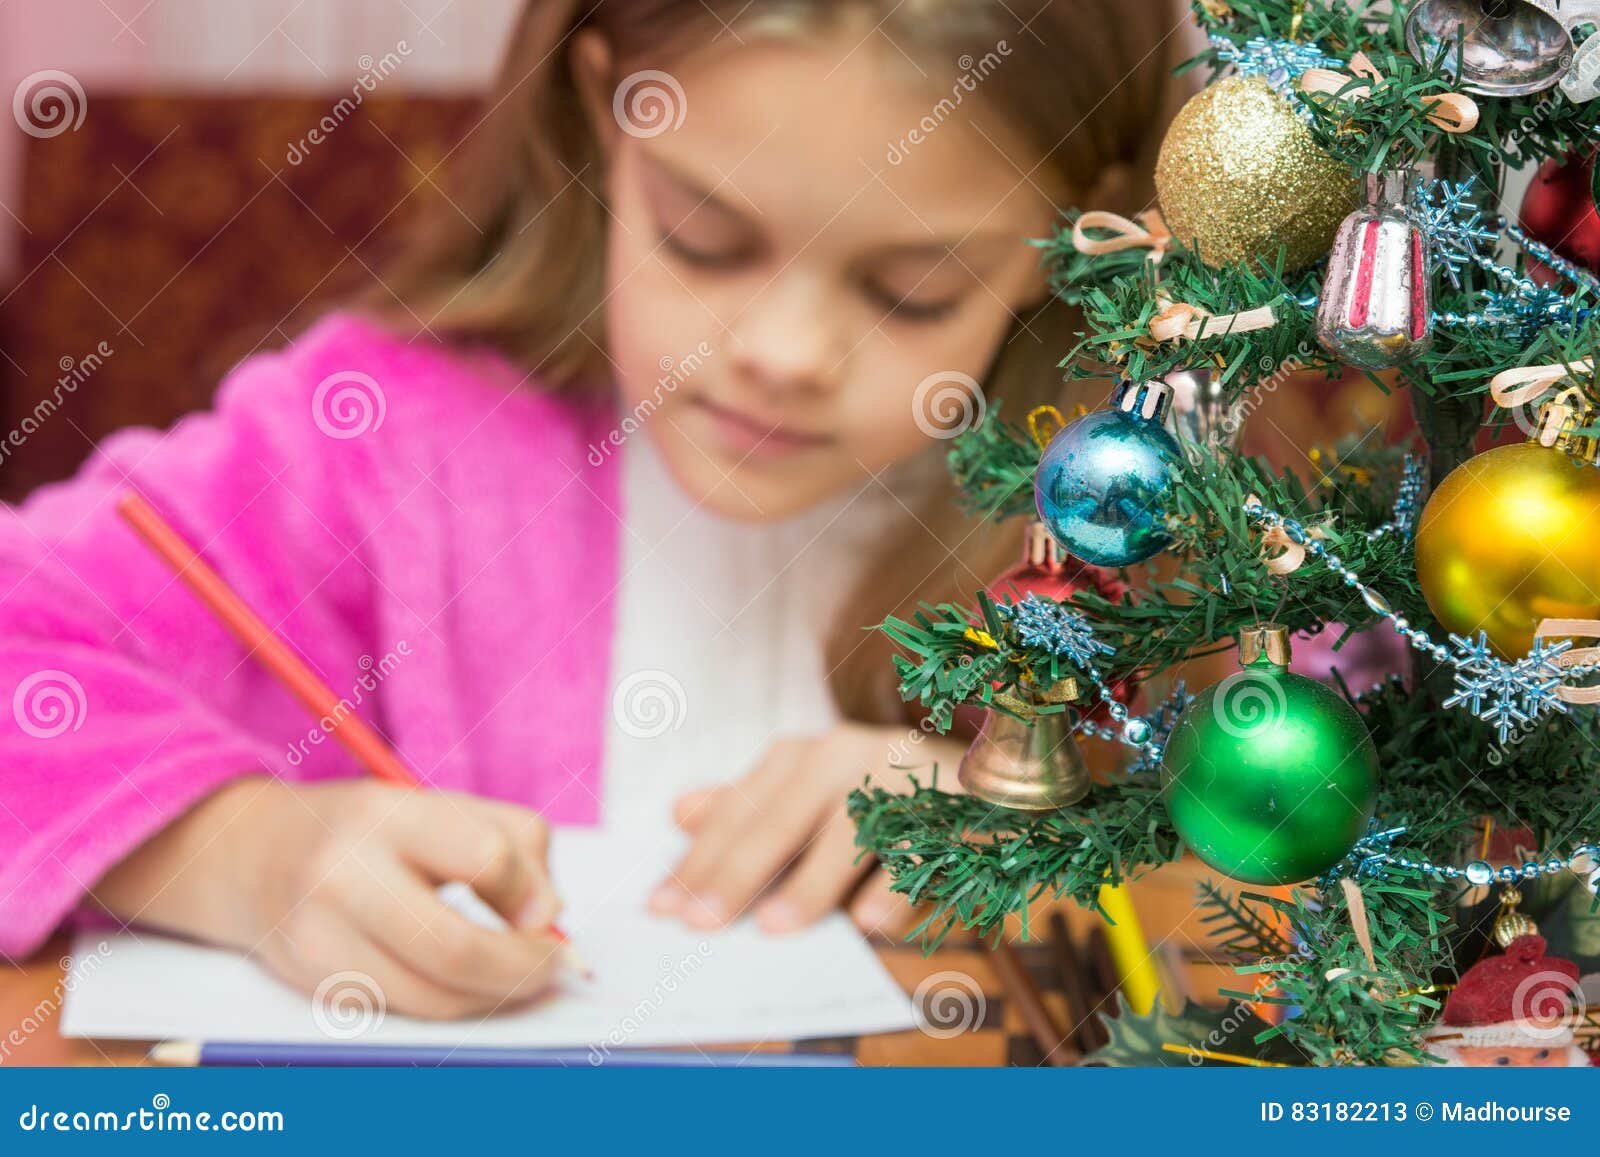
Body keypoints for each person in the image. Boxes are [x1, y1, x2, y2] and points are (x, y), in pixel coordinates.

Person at [0, 0, 1180, 1017]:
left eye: (913, 288)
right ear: (607, 111)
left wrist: (1026, 813)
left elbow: (1326, 800)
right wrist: (234, 851)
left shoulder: (1128, 503)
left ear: (1082, 232)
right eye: (703, 236)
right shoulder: (372, 442)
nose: (782, 352)